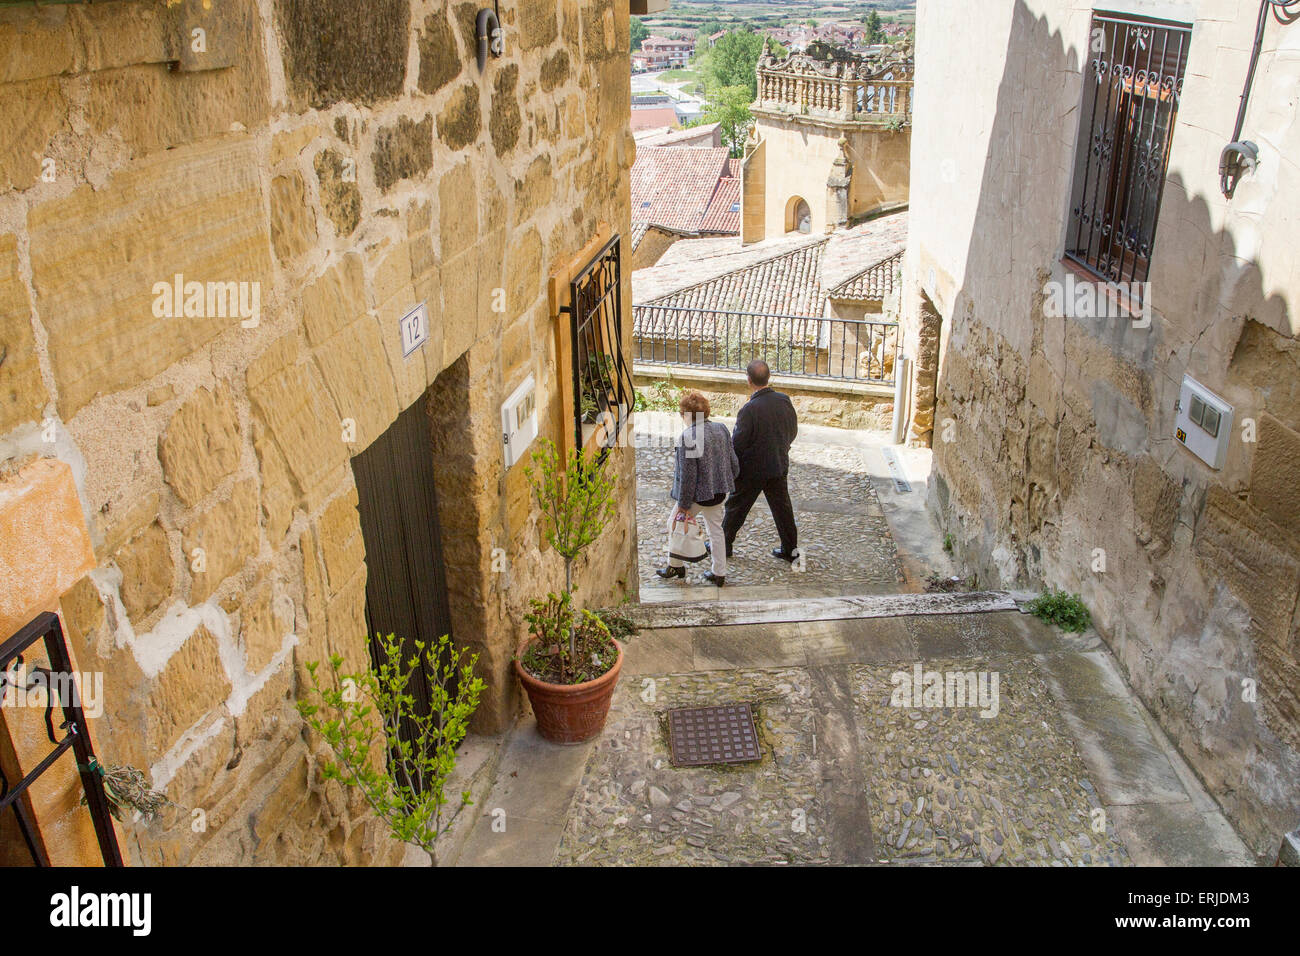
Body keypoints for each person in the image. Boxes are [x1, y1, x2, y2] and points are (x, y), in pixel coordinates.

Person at [656, 390, 738, 587]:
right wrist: (727, 481)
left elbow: (688, 476)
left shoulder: (688, 436)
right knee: (716, 531)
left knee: (673, 524)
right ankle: (719, 573)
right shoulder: (721, 429)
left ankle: (675, 566)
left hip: (697, 497)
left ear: (686, 415)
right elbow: (733, 461)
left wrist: (683, 505)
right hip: (719, 493)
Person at [722, 359, 799, 561]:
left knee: (736, 507)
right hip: (777, 464)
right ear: (768, 377)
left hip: (752, 470)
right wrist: (782, 448)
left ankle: (724, 545)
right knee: (783, 509)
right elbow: (792, 430)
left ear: (749, 380)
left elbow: (737, 443)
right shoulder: (784, 400)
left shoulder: (749, 409)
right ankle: (790, 549)